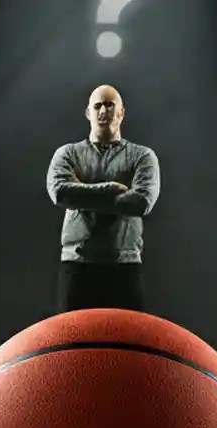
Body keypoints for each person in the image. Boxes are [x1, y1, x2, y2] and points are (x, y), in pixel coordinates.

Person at [46, 85, 161, 313]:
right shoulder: (67, 153)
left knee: (128, 345)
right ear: (88, 113)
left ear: (121, 112)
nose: (103, 111)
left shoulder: (142, 156)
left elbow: (142, 201)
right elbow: (60, 192)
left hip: (124, 266)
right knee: (74, 345)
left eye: (110, 105)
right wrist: (111, 189)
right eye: (97, 106)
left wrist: (82, 194)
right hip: (77, 266)